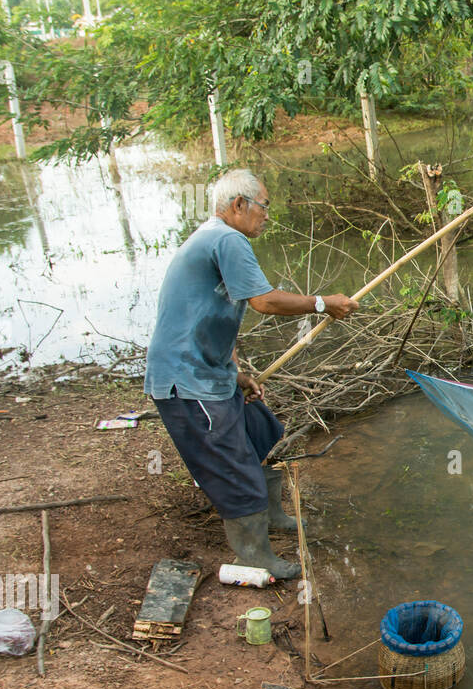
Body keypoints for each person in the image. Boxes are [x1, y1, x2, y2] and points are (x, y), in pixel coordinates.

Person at [144, 169, 358, 579]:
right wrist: (323, 304)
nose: (266, 216)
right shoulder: (226, 238)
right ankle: (254, 556)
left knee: (260, 431)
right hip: (185, 382)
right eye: (264, 206)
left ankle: (273, 516)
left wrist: (235, 373)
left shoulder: (214, 237)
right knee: (232, 463)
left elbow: (204, 316)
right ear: (239, 205)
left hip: (209, 373)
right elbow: (264, 302)